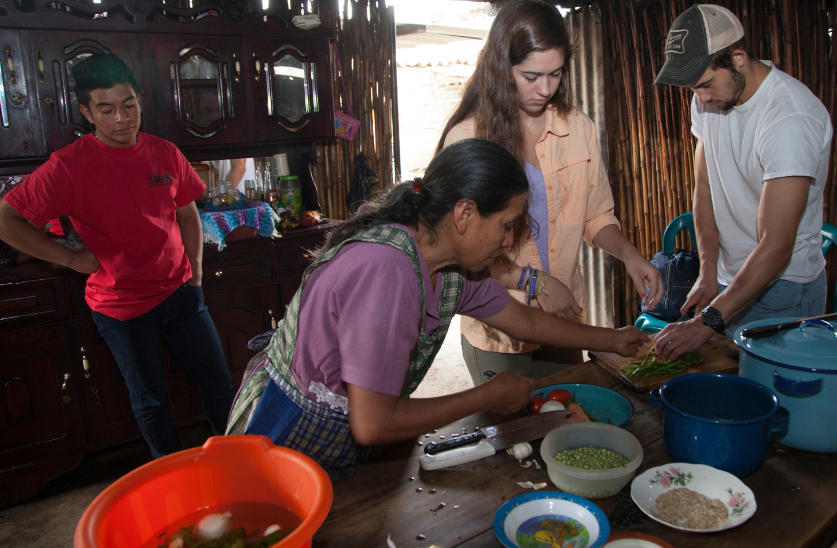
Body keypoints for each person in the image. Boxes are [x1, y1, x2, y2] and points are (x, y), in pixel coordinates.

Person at [226, 139, 649, 479]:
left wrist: (614, 340)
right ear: (464, 214)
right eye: (505, 226)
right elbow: (372, 424)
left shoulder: (452, 269)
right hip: (285, 436)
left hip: (341, 439)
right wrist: (486, 395)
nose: (507, 244)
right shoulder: (388, 270)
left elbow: (526, 321)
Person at [0, 53, 235, 458]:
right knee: (151, 402)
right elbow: (6, 220)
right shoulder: (68, 167)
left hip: (181, 292)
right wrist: (72, 260)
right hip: (122, 306)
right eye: (106, 109)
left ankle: (237, 460)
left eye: (129, 105)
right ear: (86, 113)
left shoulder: (164, 152)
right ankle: (173, 480)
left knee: (219, 387)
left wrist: (195, 270)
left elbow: (187, 212)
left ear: (139, 100)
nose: (122, 118)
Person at [436, 0, 663, 384]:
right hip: (500, 329)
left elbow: (596, 215)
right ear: (500, 68)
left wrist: (629, 255)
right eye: (531, 76)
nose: (545, 89)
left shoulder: (577, 128)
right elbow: (460, 250)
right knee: (514, 436)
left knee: (565, 421)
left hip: (562, 316)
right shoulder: (468, 139)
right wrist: (533, 281)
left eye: (555, 74)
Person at [649, 4, 833, 360]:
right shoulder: (706, 100)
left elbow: (777, 245)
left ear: (737, 57)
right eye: (693, 88)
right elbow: (705, 191)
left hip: (783, 289)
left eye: (704, 84)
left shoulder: (789, 118)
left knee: (779, 406)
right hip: (727, 281)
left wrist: (706, 323)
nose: (700, 98)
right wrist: (707, 272)